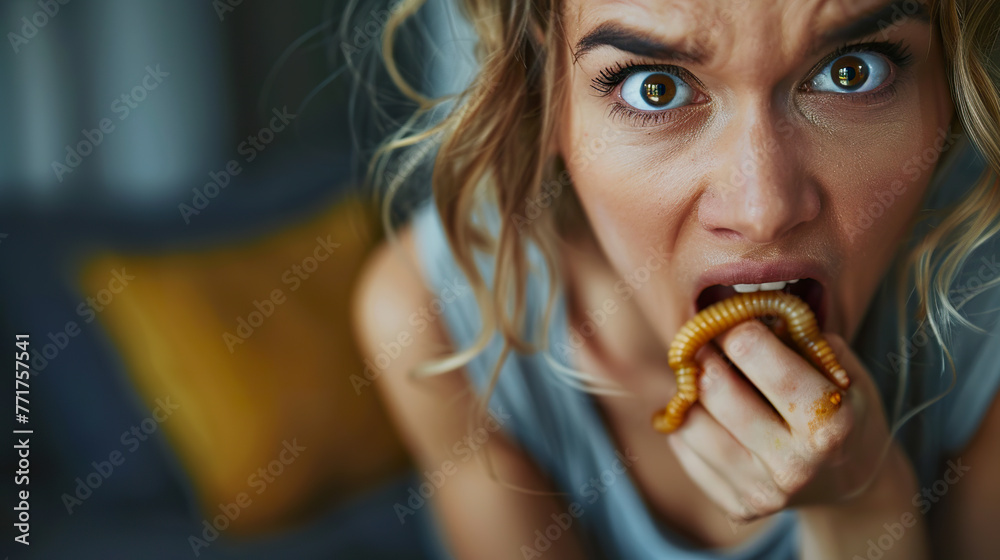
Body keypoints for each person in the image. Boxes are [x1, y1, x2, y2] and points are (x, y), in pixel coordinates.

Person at [352, 0, 1000, 558]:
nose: (762, 211)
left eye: (851, 71)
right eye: (654, 86)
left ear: (947, 82)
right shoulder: (433, 316)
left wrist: (863, 511)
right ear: (546, 94)